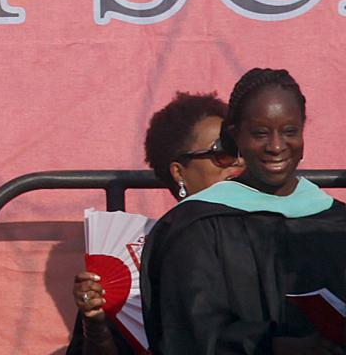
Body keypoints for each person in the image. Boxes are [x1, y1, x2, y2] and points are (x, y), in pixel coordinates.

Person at [142, 68, 346, 355]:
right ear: (235, 136)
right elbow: (189, 331)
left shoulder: (335, 220)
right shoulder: (197, 227)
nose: (276, 146)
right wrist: (277, 347)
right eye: (260, 133)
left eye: (290, 131)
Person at [67, 92, 242, 355]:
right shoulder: (136, 259)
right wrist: (96, 326)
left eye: (240, 149)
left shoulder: (271, 232)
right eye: (223, 152)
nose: (239, 161)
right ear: (179, 172)